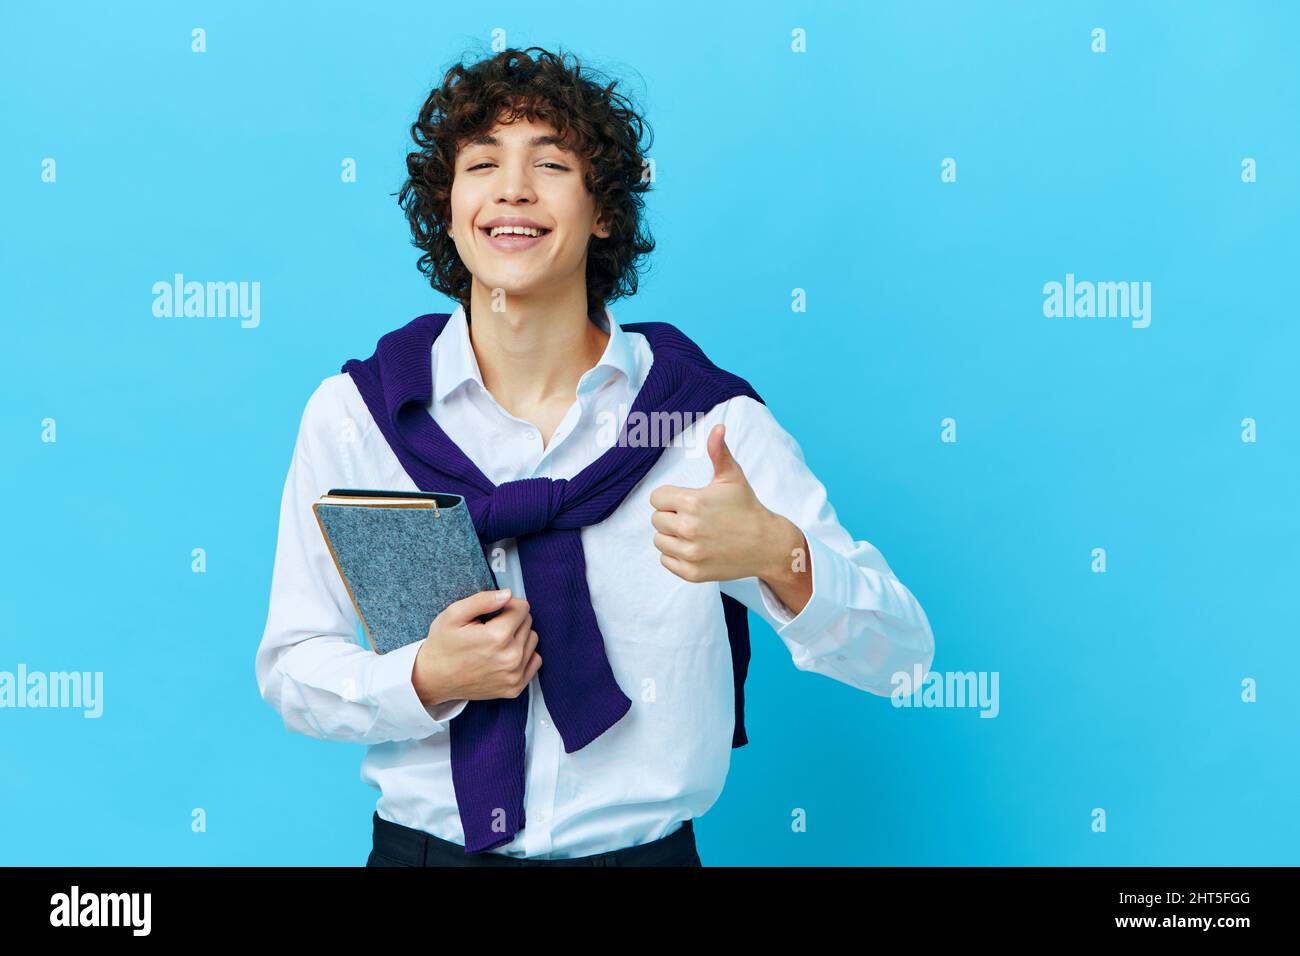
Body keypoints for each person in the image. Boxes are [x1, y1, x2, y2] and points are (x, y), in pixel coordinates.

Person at [255, 45, 935, 867]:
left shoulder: (705, 425)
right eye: (481, 165)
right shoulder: (359, 418)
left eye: (550, 163)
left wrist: (780, 555)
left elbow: (902, 659)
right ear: (447, 207)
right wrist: (423, 677)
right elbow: (293, 667)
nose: (513, 188)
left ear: (603, 210)